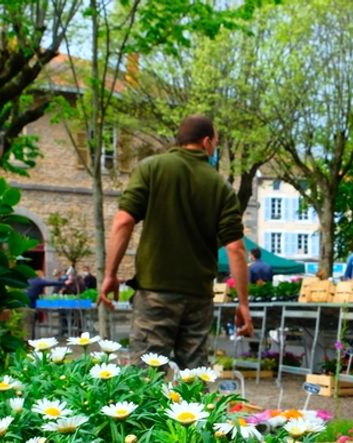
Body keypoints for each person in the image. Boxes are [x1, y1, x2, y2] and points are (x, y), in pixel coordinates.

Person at [99, 114, 251, 367]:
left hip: (155, 291)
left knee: (145, 378)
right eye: (215, 142)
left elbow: (123, 222)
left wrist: (110, 274)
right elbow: (236, 248)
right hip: (198, 297)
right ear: (206, 142)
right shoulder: (221, 187)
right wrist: (243, 303)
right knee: (194, 377)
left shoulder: (151, 168)